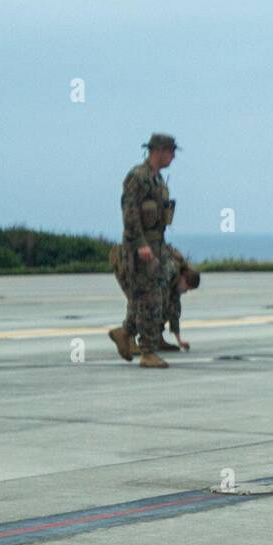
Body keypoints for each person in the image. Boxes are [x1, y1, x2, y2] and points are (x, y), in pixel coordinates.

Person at [108, 133, 179, 369]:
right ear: (158, 151)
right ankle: (148, 352)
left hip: (155, 246)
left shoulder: (157, 180)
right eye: (170, 151)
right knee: (151, 299)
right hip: (141, 249)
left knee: (148, 297)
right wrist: (140, 245)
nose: (172, 156)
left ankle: (125, 332)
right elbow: (130, 213)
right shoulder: (138, 177)